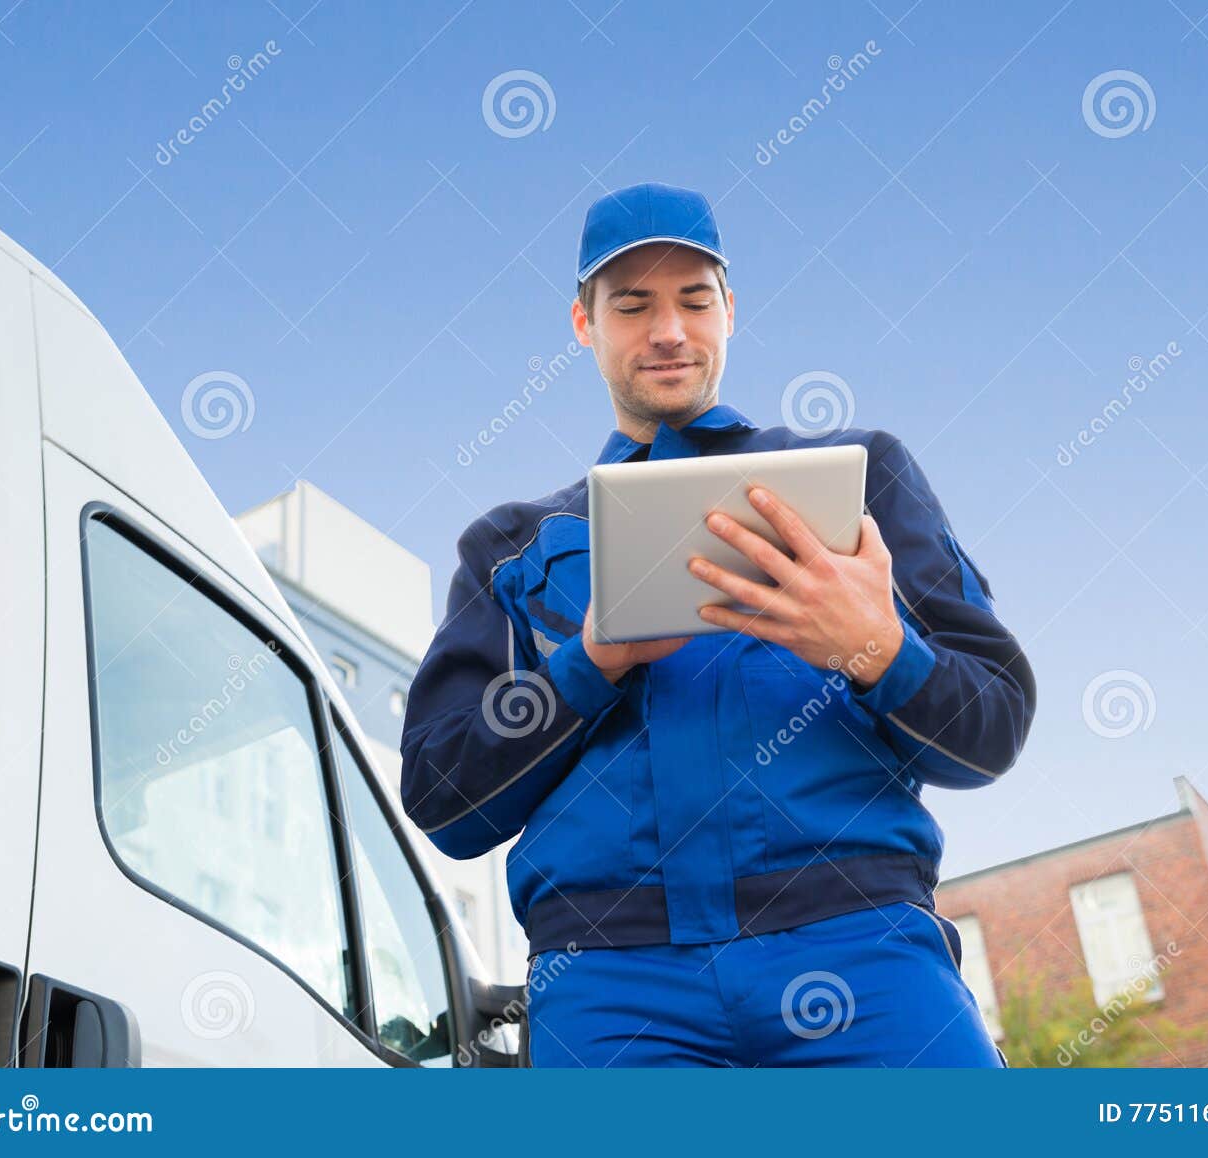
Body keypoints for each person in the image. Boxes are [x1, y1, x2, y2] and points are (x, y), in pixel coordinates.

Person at [400, 182, 1035, 1067]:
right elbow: (444, 802)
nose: (668, 330)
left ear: (730, 311)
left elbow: (990, 734)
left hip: (863, 953)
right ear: (584, 324)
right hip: (612, 989)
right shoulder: (514, 548)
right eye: (632, 306)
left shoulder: (861, 481)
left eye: (694, 301)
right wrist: (589, 664)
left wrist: (875, 648)